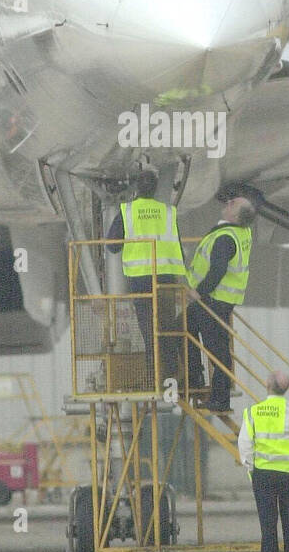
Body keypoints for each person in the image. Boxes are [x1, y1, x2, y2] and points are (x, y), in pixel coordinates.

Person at [105, 169, 185, 388]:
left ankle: (153, 378)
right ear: (156, 187)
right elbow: (177, 243)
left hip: (141, 280)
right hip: (166, 278)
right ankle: (172, 376)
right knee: (167, 328)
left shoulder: (127, 212)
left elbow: (112, 246)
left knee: (150, 331)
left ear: (136, 188)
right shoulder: (167, 212)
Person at [185, 192, 255, 411]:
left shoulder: (226, 237)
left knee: (216, 348)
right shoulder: (238, 232)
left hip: (213, 300)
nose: (228, 203)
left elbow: (218, 269)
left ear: (236, 215)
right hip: (221, 299)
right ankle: (195, 376)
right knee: (188, 328)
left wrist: (200, 291)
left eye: (233, 203)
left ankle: (219, 398)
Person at [238, 372, 289, 552]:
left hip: (263, 475)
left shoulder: (253, 412)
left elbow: (245, 444)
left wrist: (251, 470)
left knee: (268, 524)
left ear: (266, 384)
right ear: (286, 389)